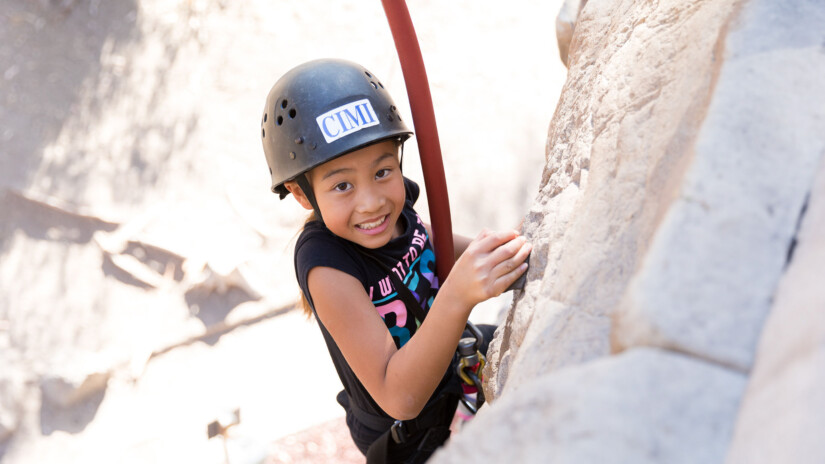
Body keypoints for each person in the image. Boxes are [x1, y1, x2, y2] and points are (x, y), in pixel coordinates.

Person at [260, 58, 531, 463]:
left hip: (453, 368)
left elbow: (430, 246)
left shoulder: (394, 210)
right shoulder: (326, 268)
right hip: (412, 434)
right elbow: (398, 396)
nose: (372, 202)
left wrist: (505, 257)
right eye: (342, 185)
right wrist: (457, 296)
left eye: (383, 171)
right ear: (301, 195)